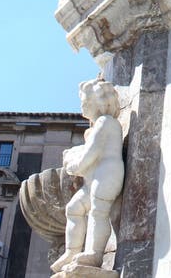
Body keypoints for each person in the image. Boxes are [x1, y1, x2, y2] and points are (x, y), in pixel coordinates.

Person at [51, 78, 124, 273]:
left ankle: (95, 253)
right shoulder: (94, 127)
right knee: (73, 208)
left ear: (98, 102)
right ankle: (71, 251)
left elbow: (93, 152)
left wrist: (75, 165)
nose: (82, 106)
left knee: (98, 211)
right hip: (93, 178)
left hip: (107, 172)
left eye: (85, 102)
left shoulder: (106, 122)